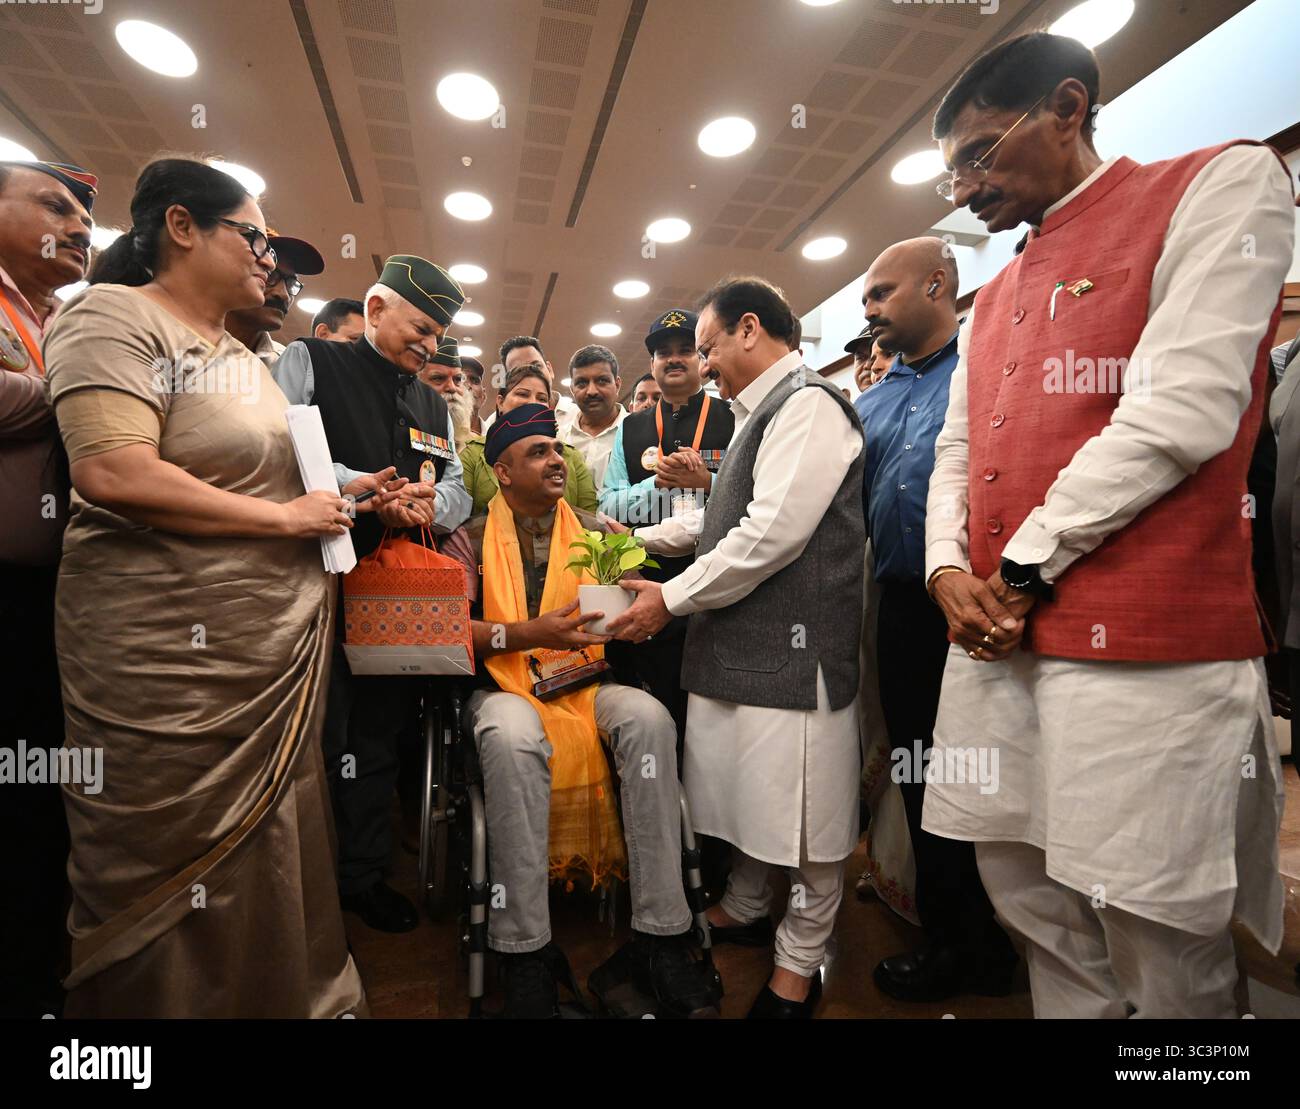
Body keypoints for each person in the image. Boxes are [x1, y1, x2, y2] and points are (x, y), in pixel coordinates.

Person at [924, 31, 1293, 1017]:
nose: (962, 188)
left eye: (978, 152)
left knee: (1160, 938)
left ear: (1068, 107)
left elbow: (1180, 409)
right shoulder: (994, 285)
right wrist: (941, 569)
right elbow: (955, 448)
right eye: (949, 168)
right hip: (993, 641)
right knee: (1027, 897)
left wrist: (1022, 570)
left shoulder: (1217, 184)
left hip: (1141, 647)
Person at [43, 156, 370, 1016]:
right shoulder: (111, 316)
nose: (268, 258)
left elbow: (270, 477)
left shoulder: (245, 354)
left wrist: (344, 496)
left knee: (276, 842)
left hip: (267, 651)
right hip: (169, 656)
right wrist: (289, 523)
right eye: (254, 236)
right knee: (165, 853)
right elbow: (113, 471)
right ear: (182, 226)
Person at [609, 277, 865, 1019]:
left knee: (811, 824)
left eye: (710, 348)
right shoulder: (762, 412)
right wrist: (628, 540)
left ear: (750, 329)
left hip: (798, 656)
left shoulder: (810, 405)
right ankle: (749, 903)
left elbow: (771, 533)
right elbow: (716, 518)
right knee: (755, 805)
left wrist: (671, 597)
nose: (707, 365)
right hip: (748, 654)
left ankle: (797, 964)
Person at [447, 402, 720, 1018]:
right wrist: (524, 634)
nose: (556, 459)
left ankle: (662, 934)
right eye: (537, 451)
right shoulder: (465, 537)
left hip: (587, 682)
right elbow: (452, 632)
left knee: (649, 719)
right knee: (513, 737)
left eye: (557, 448)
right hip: (501, 687)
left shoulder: (599, 530)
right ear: (502, 472)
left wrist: (635, 623)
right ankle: (524, 950)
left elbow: (640, 606)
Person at [273, 254, 474, 932]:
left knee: (378, 736)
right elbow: (272, 448)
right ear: (377, 307)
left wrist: (426, 501)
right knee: (317, 738)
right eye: (419, 327)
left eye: (437, 337)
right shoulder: (309, 359)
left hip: (394, 598)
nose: (428, 345)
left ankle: (361, 877)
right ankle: (303, 885)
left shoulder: (433, 401)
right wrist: (364, 489)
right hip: (314, 585)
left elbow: (458, 487)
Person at [856, 236, 1016, 1002]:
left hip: (991, 606)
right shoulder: (871, 397)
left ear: (937, 283)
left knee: (995, 775)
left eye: (882, 293)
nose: (871, 310)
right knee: (925, 774)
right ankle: (955, 937)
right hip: (903, 610)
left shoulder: (990, 367)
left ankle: (1007, 934)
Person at [0, 157, 95, 1017]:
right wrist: (73, 388)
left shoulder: (54, 318)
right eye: (54, 206)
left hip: (46, 601)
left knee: (39, 787)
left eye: (83, 217)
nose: (77, 227)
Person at [599, 310, 735, 740]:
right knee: (653, 707)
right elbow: (608, 505)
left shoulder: (731, 418)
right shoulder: (630, 428)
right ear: (653, 363)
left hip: (713, 582)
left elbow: (753, 496)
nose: (673, 360)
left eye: (684, 351)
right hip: (644, 578)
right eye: (663, 353)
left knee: (710, 714)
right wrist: (656, 485)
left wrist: (707, 483)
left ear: (701, 359)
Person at [460, 362, 596, 516]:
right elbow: (459, 521)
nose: (532, 403)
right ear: (500, 402)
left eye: (542, 398)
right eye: (523, 394)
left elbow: (590, 521)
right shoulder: (473, 455)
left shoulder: (571, 457)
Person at [224, 230, 324, 367]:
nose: (283, 294)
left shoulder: (288, 367)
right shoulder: (188, 343)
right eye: (269, 275)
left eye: (290, 283)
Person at [559, 344, 625, 490]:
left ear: (617, 385)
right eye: (582, 383)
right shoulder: (559, 438)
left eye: (602, 381)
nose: (591, 391)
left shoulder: (637, 432)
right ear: (572, 389)